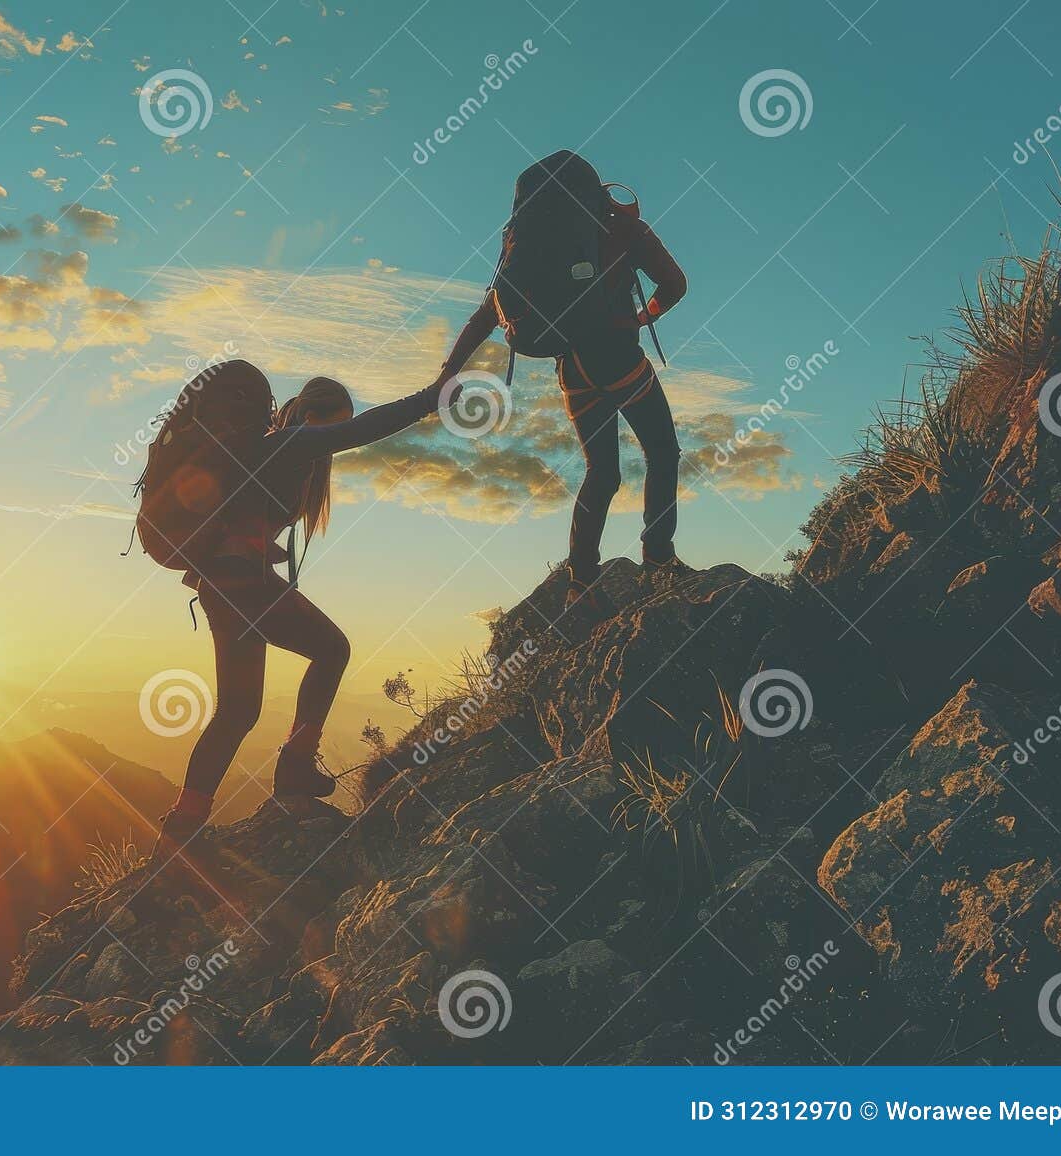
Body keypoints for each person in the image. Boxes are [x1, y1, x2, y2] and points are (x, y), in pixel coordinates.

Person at [153, 370, 449, 862]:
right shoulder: (292, 442)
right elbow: (365, 430)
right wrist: (430, 398)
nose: (333, 442)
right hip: (242, 585)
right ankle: (293, 768)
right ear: (313, 417)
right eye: (333, 428)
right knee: (332, 649)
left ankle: (183, 824)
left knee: (238, 711)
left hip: (221, 585)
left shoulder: (273, 448)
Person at [438, 150, 689, 614]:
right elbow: (674, 284)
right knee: (661, 450)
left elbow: (490, 311)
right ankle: (657, 558)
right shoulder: (621, 229)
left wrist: (447, 372)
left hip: (571, 370)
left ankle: (581, 582)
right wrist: (638, 317)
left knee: (602, 471)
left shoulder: (529, 241)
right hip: (619, 359)